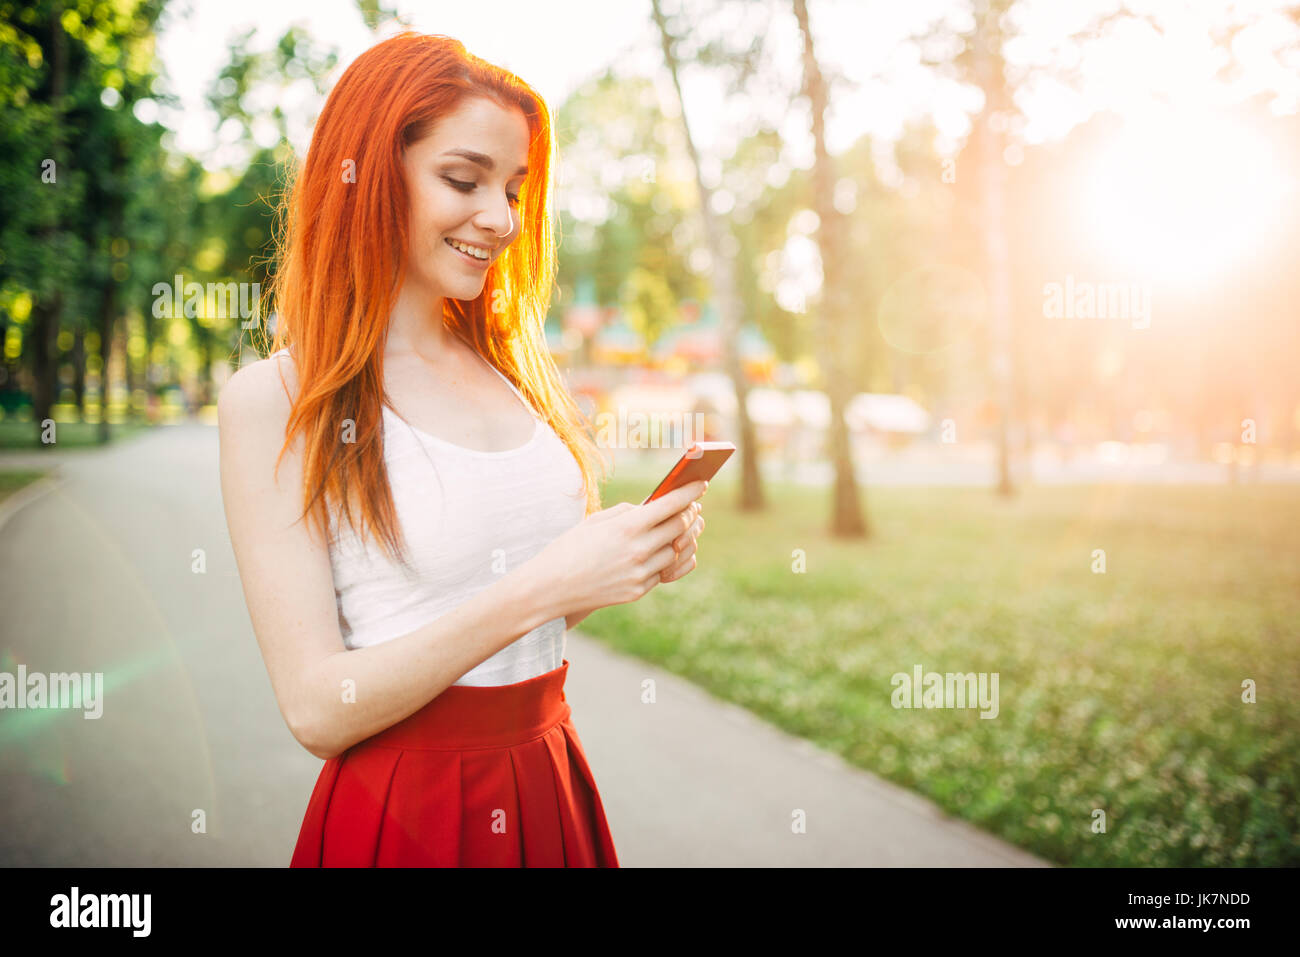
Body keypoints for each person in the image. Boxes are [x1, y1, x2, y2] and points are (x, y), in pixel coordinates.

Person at [217, 32, 708, 867]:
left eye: (515, 189)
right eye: (463, 179)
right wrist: (542, 586)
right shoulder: (277, 400)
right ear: (369, 172)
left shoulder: (506, 368)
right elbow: (316, 707)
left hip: (547, 774)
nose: (503, 218)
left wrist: (618, 564)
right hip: (407, 810)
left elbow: (510, 618)